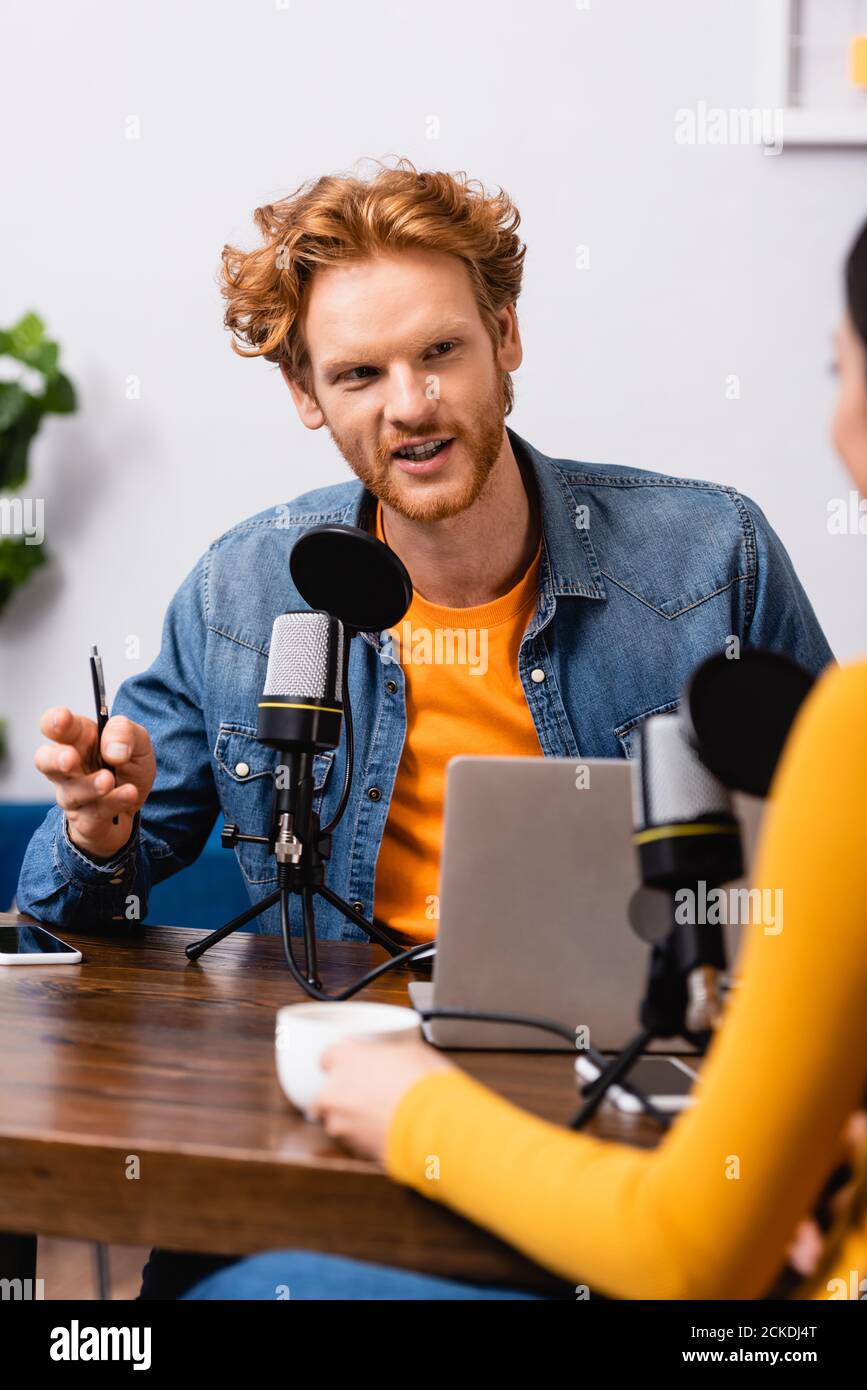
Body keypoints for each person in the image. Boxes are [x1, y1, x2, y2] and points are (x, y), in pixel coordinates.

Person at [14, 159, 832, 1298]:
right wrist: (100, 832)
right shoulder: (242, 592)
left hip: (619, 1111)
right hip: (335, 1105)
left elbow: (834, 878)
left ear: (505, 336)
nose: (410, 404)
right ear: (307, 393)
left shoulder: (711, 560)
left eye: (440, 351)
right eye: (359, 372)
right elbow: (64, 926)